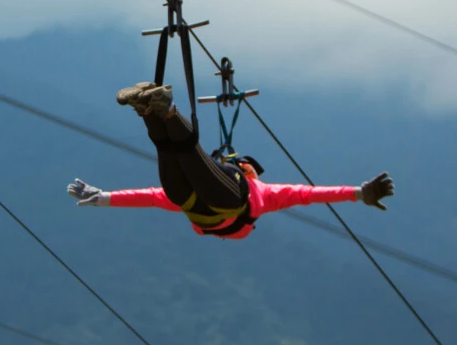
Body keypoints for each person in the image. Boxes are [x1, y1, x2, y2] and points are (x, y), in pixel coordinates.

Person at [67, 82, 393, 239]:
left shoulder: (260, 191)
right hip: (225, 200)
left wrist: (105, 197)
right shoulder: (260, 194)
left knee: (170, 155)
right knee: (185, 154)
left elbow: (151, 197)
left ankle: (148, 110)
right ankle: (164, 109)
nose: (243, 165)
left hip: (195, 205)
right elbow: (310, 195)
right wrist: (357, 193)